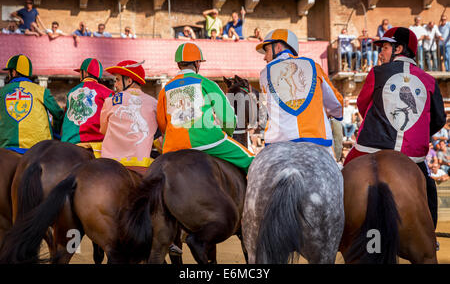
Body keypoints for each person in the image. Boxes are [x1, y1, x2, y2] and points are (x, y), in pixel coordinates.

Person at [343, 27, 446, 229]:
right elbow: (439, 119)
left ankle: (337, 229)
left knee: (344, 174)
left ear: (399, 49)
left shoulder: (377, 73)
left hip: (371, 149)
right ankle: (430, 235)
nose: (380, 53)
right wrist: (416, 132)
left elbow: (364, 105)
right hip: (412, 157)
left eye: (385, 47)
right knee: (428, 188)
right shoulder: (430, 81)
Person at [156, 42, 254, 173]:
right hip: (206, 141)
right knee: (252, 161)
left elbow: (162, 124)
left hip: (173, 146)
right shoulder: (207, 84)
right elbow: (228, 119)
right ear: (197, 63)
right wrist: (227, 134)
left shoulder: (165, 89)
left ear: (178, 64)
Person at [256, 29, 343, 158]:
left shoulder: (264, 74)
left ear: (278, 47)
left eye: (267, 50)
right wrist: (334, 113)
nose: (264, 57)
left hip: (278, 144)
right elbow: (337, 103)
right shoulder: (315, 67)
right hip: (316, 142)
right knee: (338, 175)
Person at [100, 60, 157, 175]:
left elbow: (104, 131)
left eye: (117, 80)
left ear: (129, 80)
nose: (115, 85)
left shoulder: (110, 101)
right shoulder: (154, 103)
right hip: (141, 165)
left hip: (110, 164)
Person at [0, 54, 64, 154]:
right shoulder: (41, 91)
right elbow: (58, 114)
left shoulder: (2, 92)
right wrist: (55, 131)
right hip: (39, 147)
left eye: (9, 71)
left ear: (14, 72)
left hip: (6, 147)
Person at [61, 58, 114, 157]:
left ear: (84, 73)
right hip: (95, 146)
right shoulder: (108, 93)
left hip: (69, 144)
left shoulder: (71, 92)